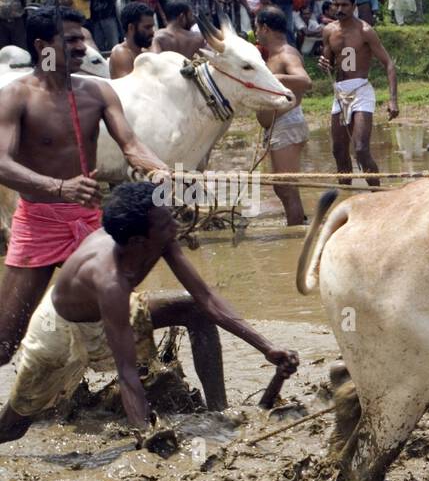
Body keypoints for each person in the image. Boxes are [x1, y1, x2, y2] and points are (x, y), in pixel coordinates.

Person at [0, 182, 299, 444]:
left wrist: (267, 347)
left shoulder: (160, 238)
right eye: (165, 222)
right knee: (14, 427)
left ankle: (218, 414)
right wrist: (147, 435)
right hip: (59, 334)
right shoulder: (109, 279)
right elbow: (127, 372)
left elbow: (206, 298)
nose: (175, 223)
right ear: (138, 242)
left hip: (111, 314)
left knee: (193, 309)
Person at [0, 6, 170, 369]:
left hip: (90, 224)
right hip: (38, 224)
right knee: (3, 341)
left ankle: (128, 393)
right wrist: (59, 188)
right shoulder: (17, 96)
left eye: (84, 38)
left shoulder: (98, 91)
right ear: (42, 46)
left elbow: (131, 146)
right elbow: (1, 163)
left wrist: (161, 170)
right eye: (72, 39)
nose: (83, 47)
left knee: (126, 322)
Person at [318, 0, 399, 188]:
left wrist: (393, 99)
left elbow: (388, 63)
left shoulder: (365, 31)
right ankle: (346, 194)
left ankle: (376, 193)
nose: (340, 9)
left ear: (354, 6)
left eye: (345, 5)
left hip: (361, 89)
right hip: (340, 92)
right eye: (336, 4)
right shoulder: (329, 31)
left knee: (361, 148)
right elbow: (328, 61)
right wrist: (323, 64)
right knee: (338, 150)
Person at [253, 7, 311, 226]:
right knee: (283, 187)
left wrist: (271, 77)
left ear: (265, 28)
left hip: (286, 124)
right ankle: (298, 223)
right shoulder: (273, 55)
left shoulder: (286, 54)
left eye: (256, 27)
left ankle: (296, 233)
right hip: (278, 126)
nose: (255, 32)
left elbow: (305, 82)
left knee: (286, 187)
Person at [110, 2, 156, 78]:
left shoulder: (144, 51)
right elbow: (129, 87)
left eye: (152, 27)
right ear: (131, 28)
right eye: (147, 27)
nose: (152, 32)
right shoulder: (121, 53)